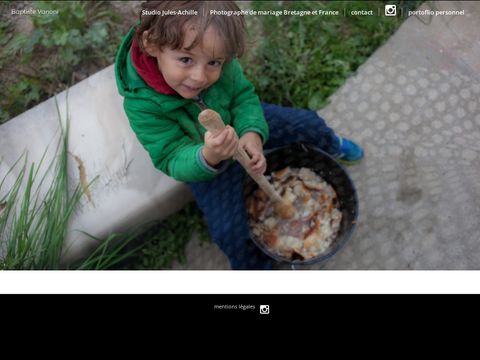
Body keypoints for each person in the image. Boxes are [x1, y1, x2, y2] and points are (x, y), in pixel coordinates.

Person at [114, 1, 363, 270]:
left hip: (239, 124)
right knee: (230, 234)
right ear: (152, 44)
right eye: (185, 60)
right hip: (206, 163)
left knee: (309, 124)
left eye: (213, 63)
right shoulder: (142, 105)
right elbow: (170, 157)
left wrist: (252, 132)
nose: (199, 77)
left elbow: (243, 97)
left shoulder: (220, 57)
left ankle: (331, 145)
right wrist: (209, 156)